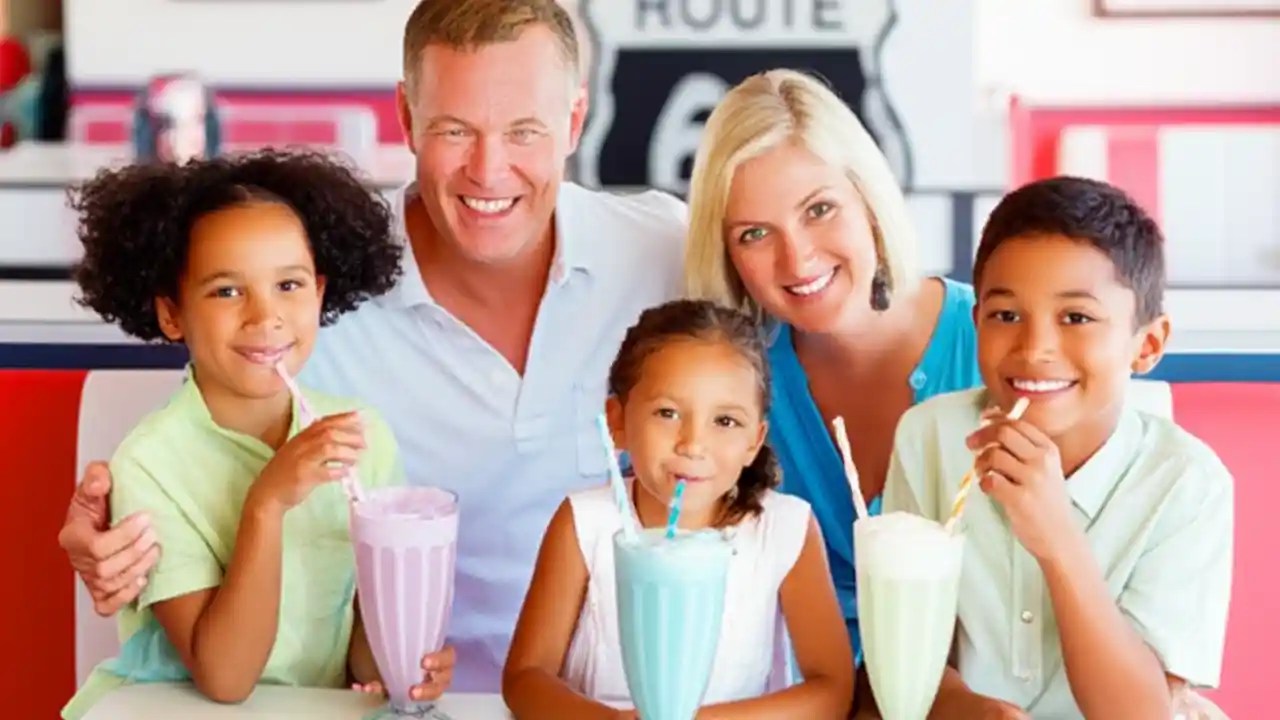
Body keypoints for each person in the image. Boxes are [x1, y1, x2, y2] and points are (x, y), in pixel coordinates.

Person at [56, 0, 686, 692]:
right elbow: (202, 443)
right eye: (455, 130)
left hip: (622, 697)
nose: (489, 169)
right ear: (407, 118)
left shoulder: (667, 252)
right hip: (402, 699)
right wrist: (111, 531)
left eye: (524, 131)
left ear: (574, 120)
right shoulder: (308, 287)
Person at [59, 150, 455, 718]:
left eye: (289, 284)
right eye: (227, 291)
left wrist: (406, 663)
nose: (265, 316)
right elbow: (225, 678)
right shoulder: (150, 465)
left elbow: (363, 662)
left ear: (319, 294)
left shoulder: (361, 436)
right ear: (172, 314)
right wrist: (268, 501)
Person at [883, 176, 1234, 718]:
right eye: (1006, 315)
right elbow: (913, 654)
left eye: (1077, 318)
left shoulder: (1188, 483)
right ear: (976, 322)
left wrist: (1057, 540)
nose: (1035, 348)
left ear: (1147, 344)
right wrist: (968, 708)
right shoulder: (929, 437)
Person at [683, 68, 982, 663]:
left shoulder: (994, 342)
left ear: (868, 202)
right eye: (755, 234)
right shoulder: (733, 387)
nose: (797, 259)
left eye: (819, 209)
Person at [503, 299, 853, 719]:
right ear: (617, 421)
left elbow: (832, 691)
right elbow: (525, 678)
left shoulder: (785, 529)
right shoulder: (585, 524)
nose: (692, 444)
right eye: (667, 413)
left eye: (725, 421)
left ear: (755, 441)